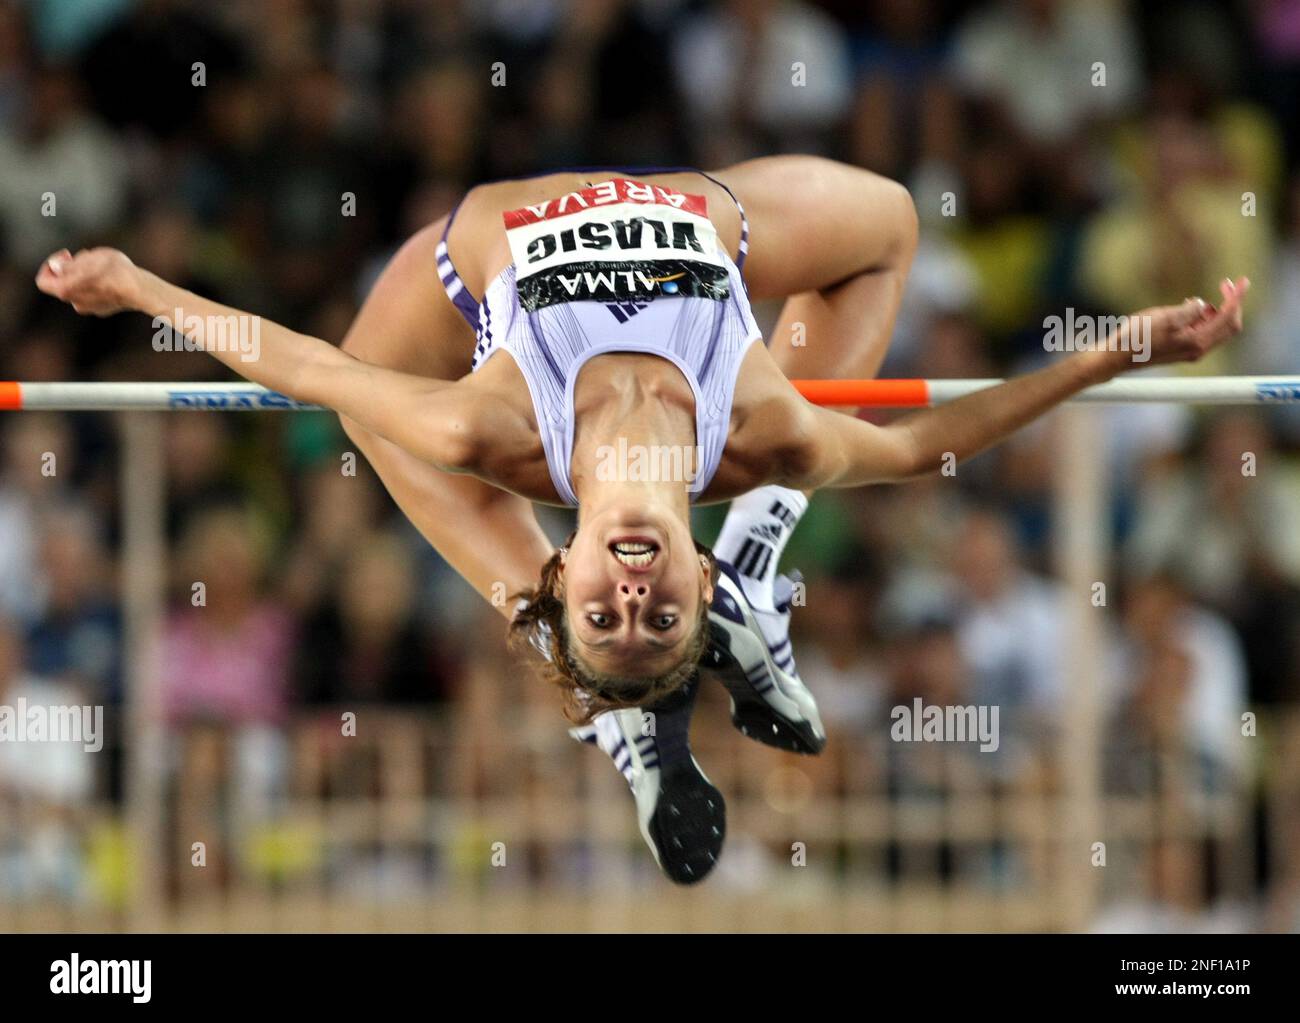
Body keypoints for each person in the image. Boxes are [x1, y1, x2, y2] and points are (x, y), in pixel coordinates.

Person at [34, 156, 1250, 881]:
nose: (630, 596)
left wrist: (137, 285)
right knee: (886, 222)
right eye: (657, 620)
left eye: (599, 615)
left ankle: (616, 712)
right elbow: (938, 440)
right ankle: (758, 553)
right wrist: (1118, 351)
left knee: (371, 409)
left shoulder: (487, 429)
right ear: (693, 585)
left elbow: (299, 364)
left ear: (560, 569)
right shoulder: (765, 432)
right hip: (698, 214)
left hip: (469, 257)